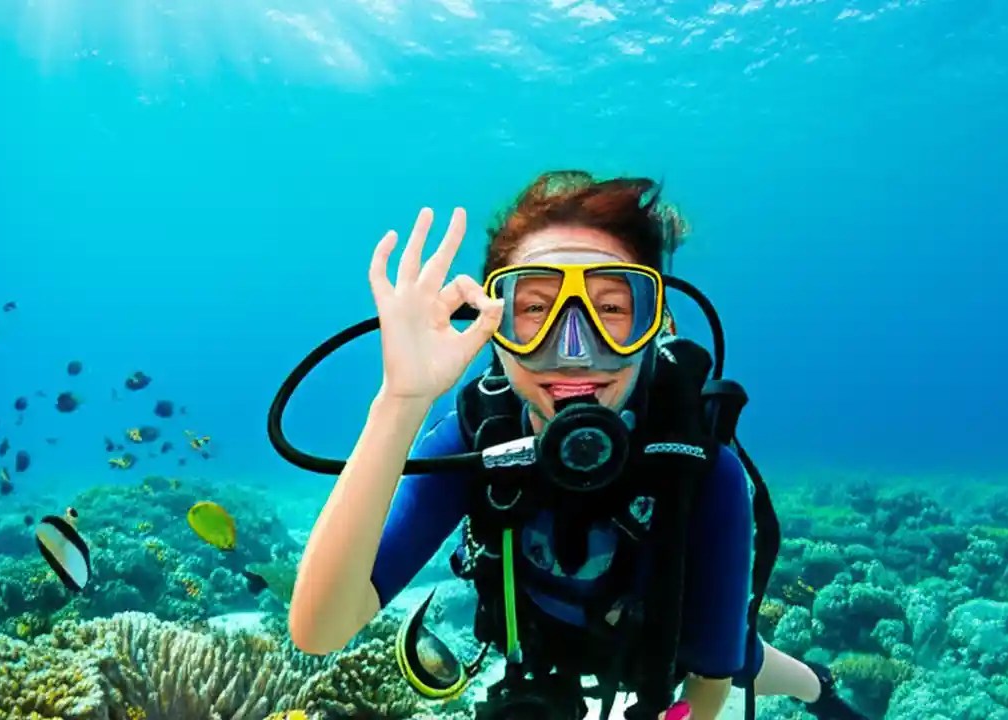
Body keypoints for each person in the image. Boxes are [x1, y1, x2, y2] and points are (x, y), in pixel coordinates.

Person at [288, 171, 866, 720]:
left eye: (610, 309)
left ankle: (819, 687)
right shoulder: (478, 436)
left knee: (739, 657)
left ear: (656, 325)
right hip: (535, 637)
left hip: (662, 638)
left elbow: (709, 682)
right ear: (493, 326)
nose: (571, 350)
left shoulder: (699, 465)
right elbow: (320, 629)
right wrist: (401, 400)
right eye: (534, 309)